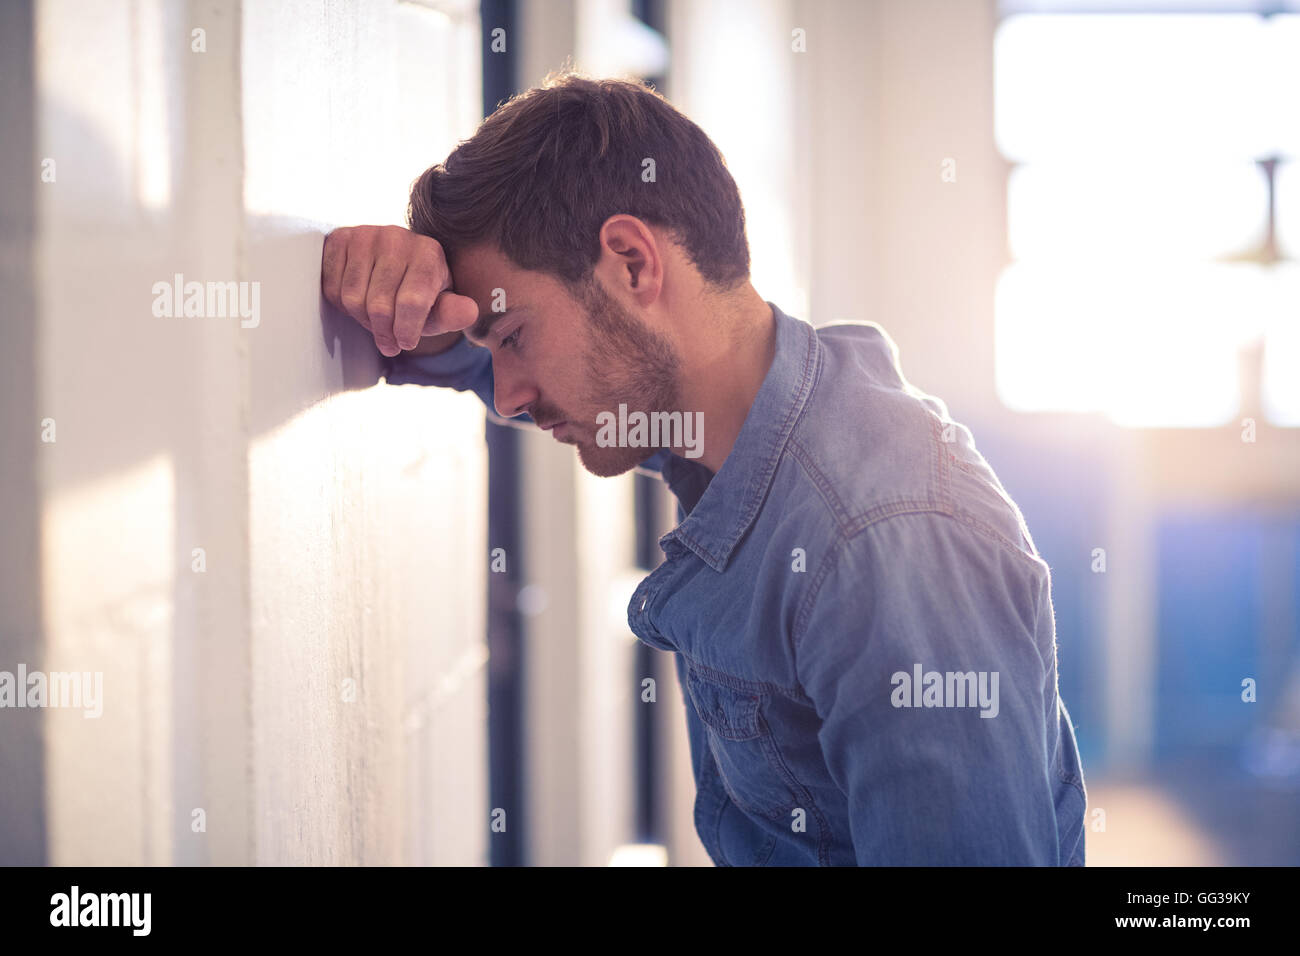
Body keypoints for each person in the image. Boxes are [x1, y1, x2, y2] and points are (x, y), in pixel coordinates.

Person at [320, 71, 1087, 866]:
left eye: (512, 337)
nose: (507, 397)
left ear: (630, 264)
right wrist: (407, 298)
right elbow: (480, 366)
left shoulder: (879, 540)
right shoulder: (732, 419)